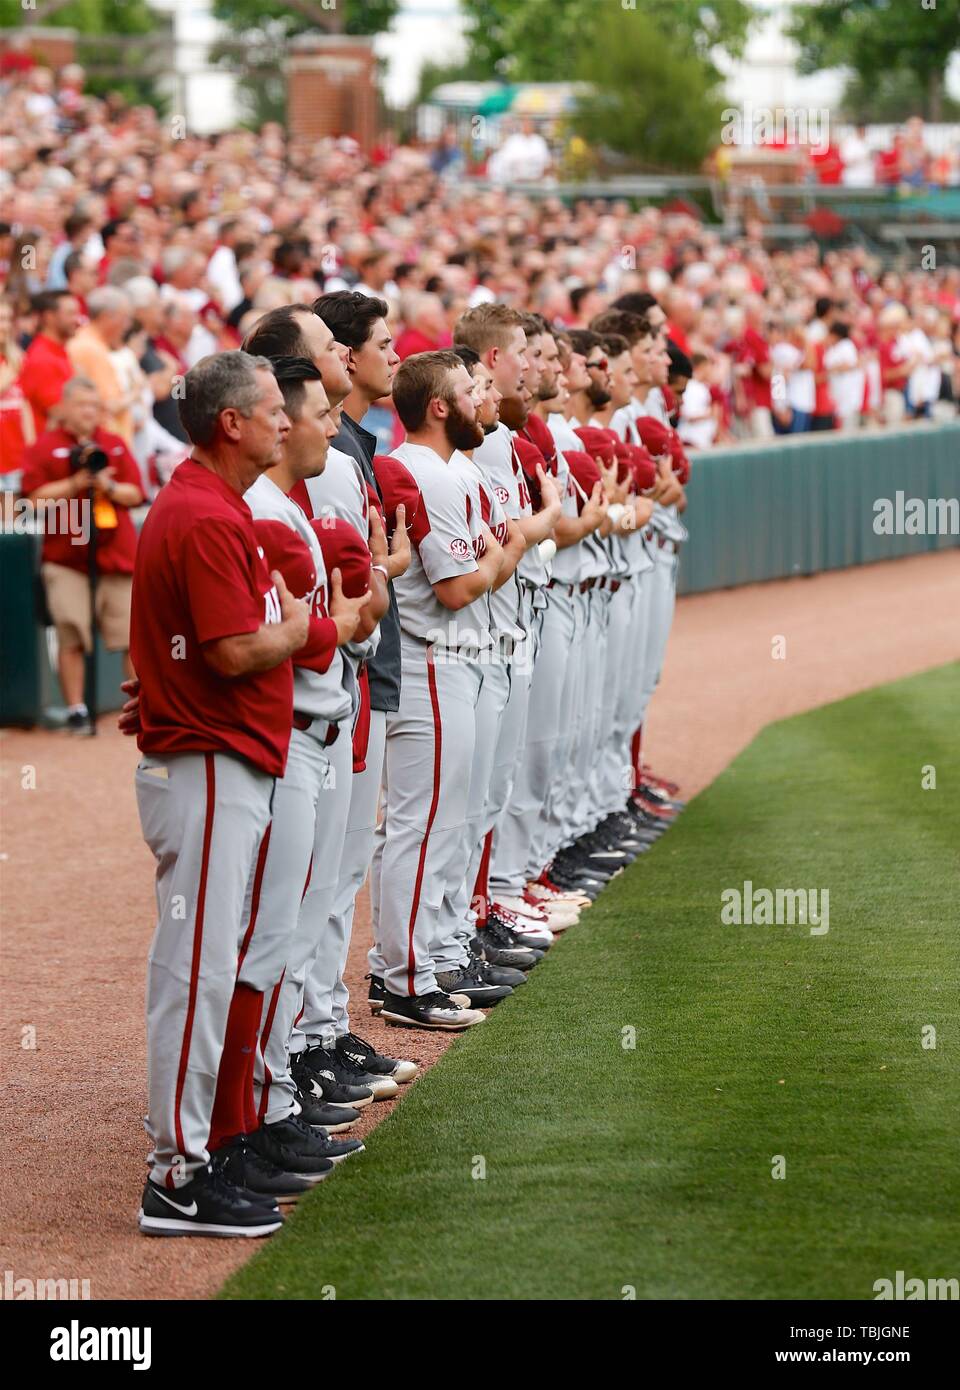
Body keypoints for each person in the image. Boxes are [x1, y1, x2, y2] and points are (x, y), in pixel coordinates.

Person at [131, 351, 310, 1238]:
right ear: (230, 423)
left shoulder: (212, 504)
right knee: (193, 976)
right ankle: (175, 1177)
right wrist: (301, 627)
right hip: (204, 763)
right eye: (272, 407)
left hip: (213, 758)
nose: (286, 419)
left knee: (200, 971)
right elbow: (233, 651)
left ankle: (188, 1159)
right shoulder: (204, 512)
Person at [373, 351, 505, 1030]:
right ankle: (408, 980)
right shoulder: (422, 471)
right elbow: (458, 588)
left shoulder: (447, 470)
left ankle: (411, 964)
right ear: (439, 407)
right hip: (433, 656)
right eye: (467, 388)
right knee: (422, 829)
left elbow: (493, 562)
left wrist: (493, 557)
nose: (482, 397)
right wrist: (497, 557)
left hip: (452, 658)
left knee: (433, 824)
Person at [21, 376, 143, 732]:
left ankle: (142, 705)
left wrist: (108, 485)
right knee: (71, 632)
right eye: (82, 405)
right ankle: (76, 710)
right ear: (65, 408)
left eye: (95, 406)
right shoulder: (45, 447)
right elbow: (30, 500)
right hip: (67, 555)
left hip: (115, 554)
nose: (90, 413)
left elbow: (136, 493)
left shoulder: (113, 444)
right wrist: (74, 484)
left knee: (131, 636)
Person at [67, 286, 136, 444]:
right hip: (105, 443)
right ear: (107, 317)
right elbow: (111, 405)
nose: (127, 326)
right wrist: (136, 392)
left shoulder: (88, 342)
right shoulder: (90, 349)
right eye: (124, 318)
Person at [18, 289, 80, 434]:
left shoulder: (57, 351)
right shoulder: (42, 358)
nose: (76, 320)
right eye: (70, 314)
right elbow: (60, 412)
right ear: (49, 317)